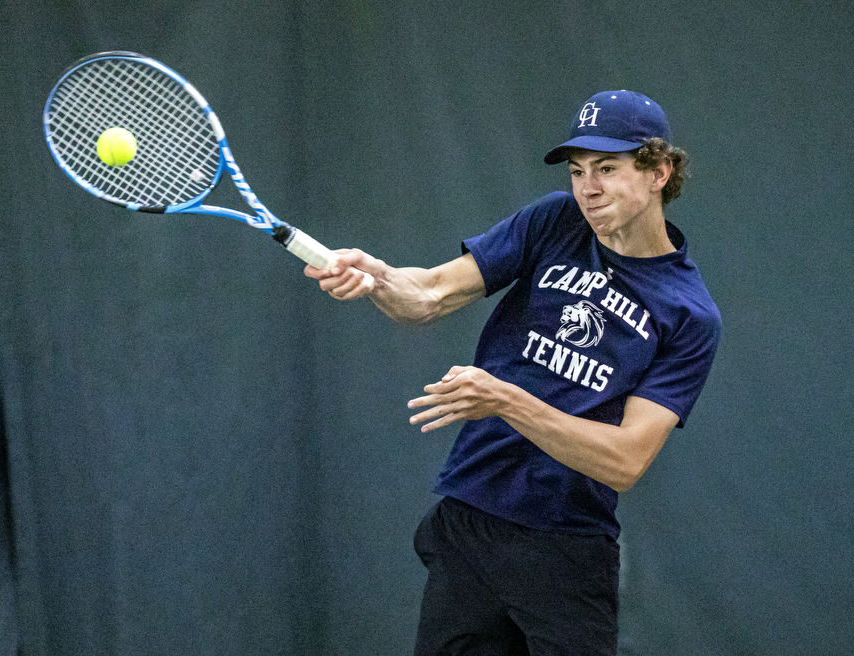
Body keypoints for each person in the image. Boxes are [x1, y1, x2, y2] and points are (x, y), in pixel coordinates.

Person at [305, 90, 721, 655]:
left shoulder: (690, 314)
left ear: (659, 172)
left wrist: (505, 399)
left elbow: (624, 461)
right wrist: (377, 277)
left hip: (567, 546)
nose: (588, 188)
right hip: (469, 519)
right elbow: (429, 294)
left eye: (607, 168)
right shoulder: (555, 221)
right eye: (577, 171)